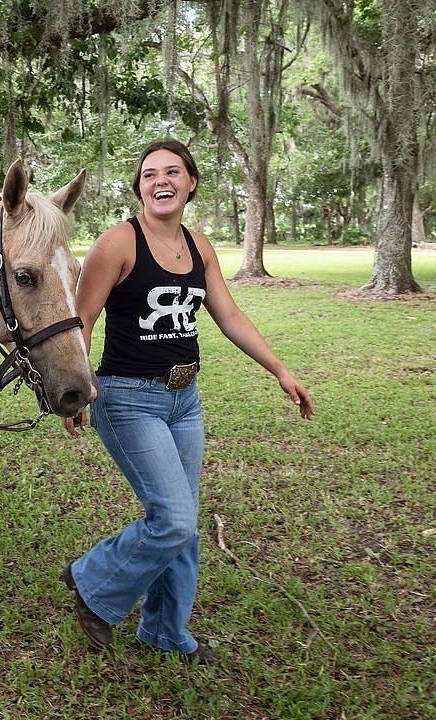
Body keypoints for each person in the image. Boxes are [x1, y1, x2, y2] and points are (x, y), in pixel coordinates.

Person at [62, 139, 315, 664]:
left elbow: (228, 315)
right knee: (173, 519)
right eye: (150, 173)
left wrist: (280, 369)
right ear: (139, 186)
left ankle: (165, 631)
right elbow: (80, 320)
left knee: (184, 522)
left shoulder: (200, 247)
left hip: (185, 400)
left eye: (172, 172)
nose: (161, 181)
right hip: (128, 398)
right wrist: (78, 386)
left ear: (191, 182)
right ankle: (92, 580)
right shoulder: (117, 244)